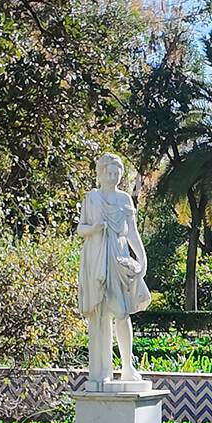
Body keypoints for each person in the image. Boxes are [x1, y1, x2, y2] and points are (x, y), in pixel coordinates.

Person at [77, 153, 151, 385]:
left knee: (122, 312)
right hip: (96, 256)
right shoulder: (92, 198)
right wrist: (94, 229)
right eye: (109, 173)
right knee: (99, 315)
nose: (113, 177)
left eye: (117, 173)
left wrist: (142, 259)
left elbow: (131, 233)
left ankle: (128, 367)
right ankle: (100, 372)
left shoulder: (125, 200)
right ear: (100, 174)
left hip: (118, 258)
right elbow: (81, 229)